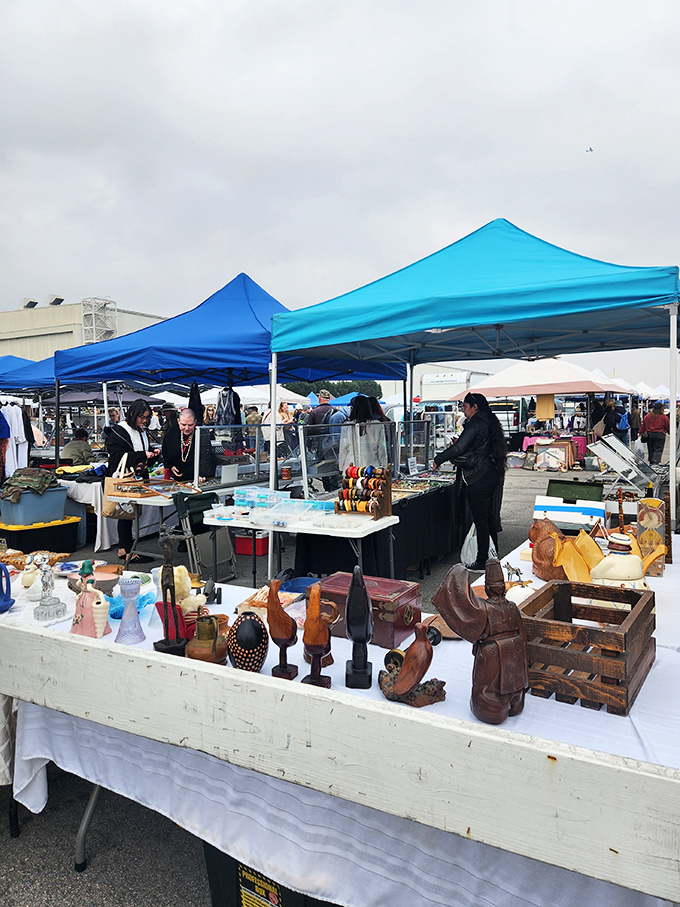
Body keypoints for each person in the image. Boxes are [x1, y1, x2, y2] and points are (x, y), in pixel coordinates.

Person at [432, 392, 507, 572]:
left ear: (475, 407)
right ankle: (493, 558)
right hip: (491, 473)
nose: (463, 410)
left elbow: (459, 448)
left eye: (465, 407)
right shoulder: (490, 421)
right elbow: (477, 445)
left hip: (479, 476)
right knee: (488, 519)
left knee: (481, 521)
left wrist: (438, 459)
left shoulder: (475, 423)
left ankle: (482, 561)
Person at [105, 399, 161, 562]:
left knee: (128, 513)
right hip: (126, 479)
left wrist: (152, 454)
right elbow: (116, 457)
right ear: (132, 415)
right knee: (126, 513)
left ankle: (125, 548)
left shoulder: (141, 431)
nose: (144, 421)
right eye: (141, 417)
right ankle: (128, 550)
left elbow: (141, 451)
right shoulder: (118, 431)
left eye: (146, 417)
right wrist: (144, 455)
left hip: (137, 478)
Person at [162, 407, 217, 483]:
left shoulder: (201, 433)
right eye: (183, 425)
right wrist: (171, 466)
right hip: (178, 477)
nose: (187, 428)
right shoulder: (172, 432)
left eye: (190, 425)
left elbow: (206, 455)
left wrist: (202, 474)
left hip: (196, 477)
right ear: (178, 421)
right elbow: (166, 451)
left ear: (195, 422)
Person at [338, 395, 389, 474]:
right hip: (372, 467)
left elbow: (343, 449)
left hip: (351, 468)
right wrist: (384, 467)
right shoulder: (377, 425)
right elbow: (381, 449)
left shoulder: (347, 425)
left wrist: (341, 467)